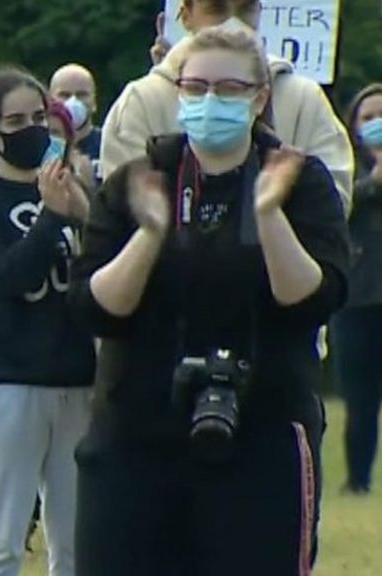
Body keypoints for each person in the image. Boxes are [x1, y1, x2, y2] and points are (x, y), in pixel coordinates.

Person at [71, 28, 350, 576]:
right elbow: (94, 308)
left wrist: (268, 215)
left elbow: (314, 300)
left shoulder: (298, 180)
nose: (209, 101)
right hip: (136, 435)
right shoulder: (139, 180)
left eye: (227, 88)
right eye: (194, 87)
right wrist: (149, 235)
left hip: (261, 434)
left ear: (259, 97)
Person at [0, 68, 94, 576]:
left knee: (76, 546)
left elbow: (100, 281)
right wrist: (51, 218)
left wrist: (84, 218)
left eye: (40, 117)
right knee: (0, 545)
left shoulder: (73, 193)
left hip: (77, 378)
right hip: (8, 380)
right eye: (16, 121)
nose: (32, 129)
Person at [100, 0, 355, 218]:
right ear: (186, 15)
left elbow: (333, 206)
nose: (233, 25)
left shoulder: (303, 98)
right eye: (217, 9)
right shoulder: (142, 101)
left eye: (246, 10)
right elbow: (121, 211)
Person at [330, 83, 382, 495]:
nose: (376, 125)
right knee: (360, 400)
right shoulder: (344, 171)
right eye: (368, 117)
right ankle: (358, 479)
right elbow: (335, 213)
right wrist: (373, 183)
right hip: (357, 303)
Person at [50, 64, 102, 180]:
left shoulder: (107, 144)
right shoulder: (45, 145)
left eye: (82, 95)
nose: (73, 101)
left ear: (94, 102)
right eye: (64, 95)